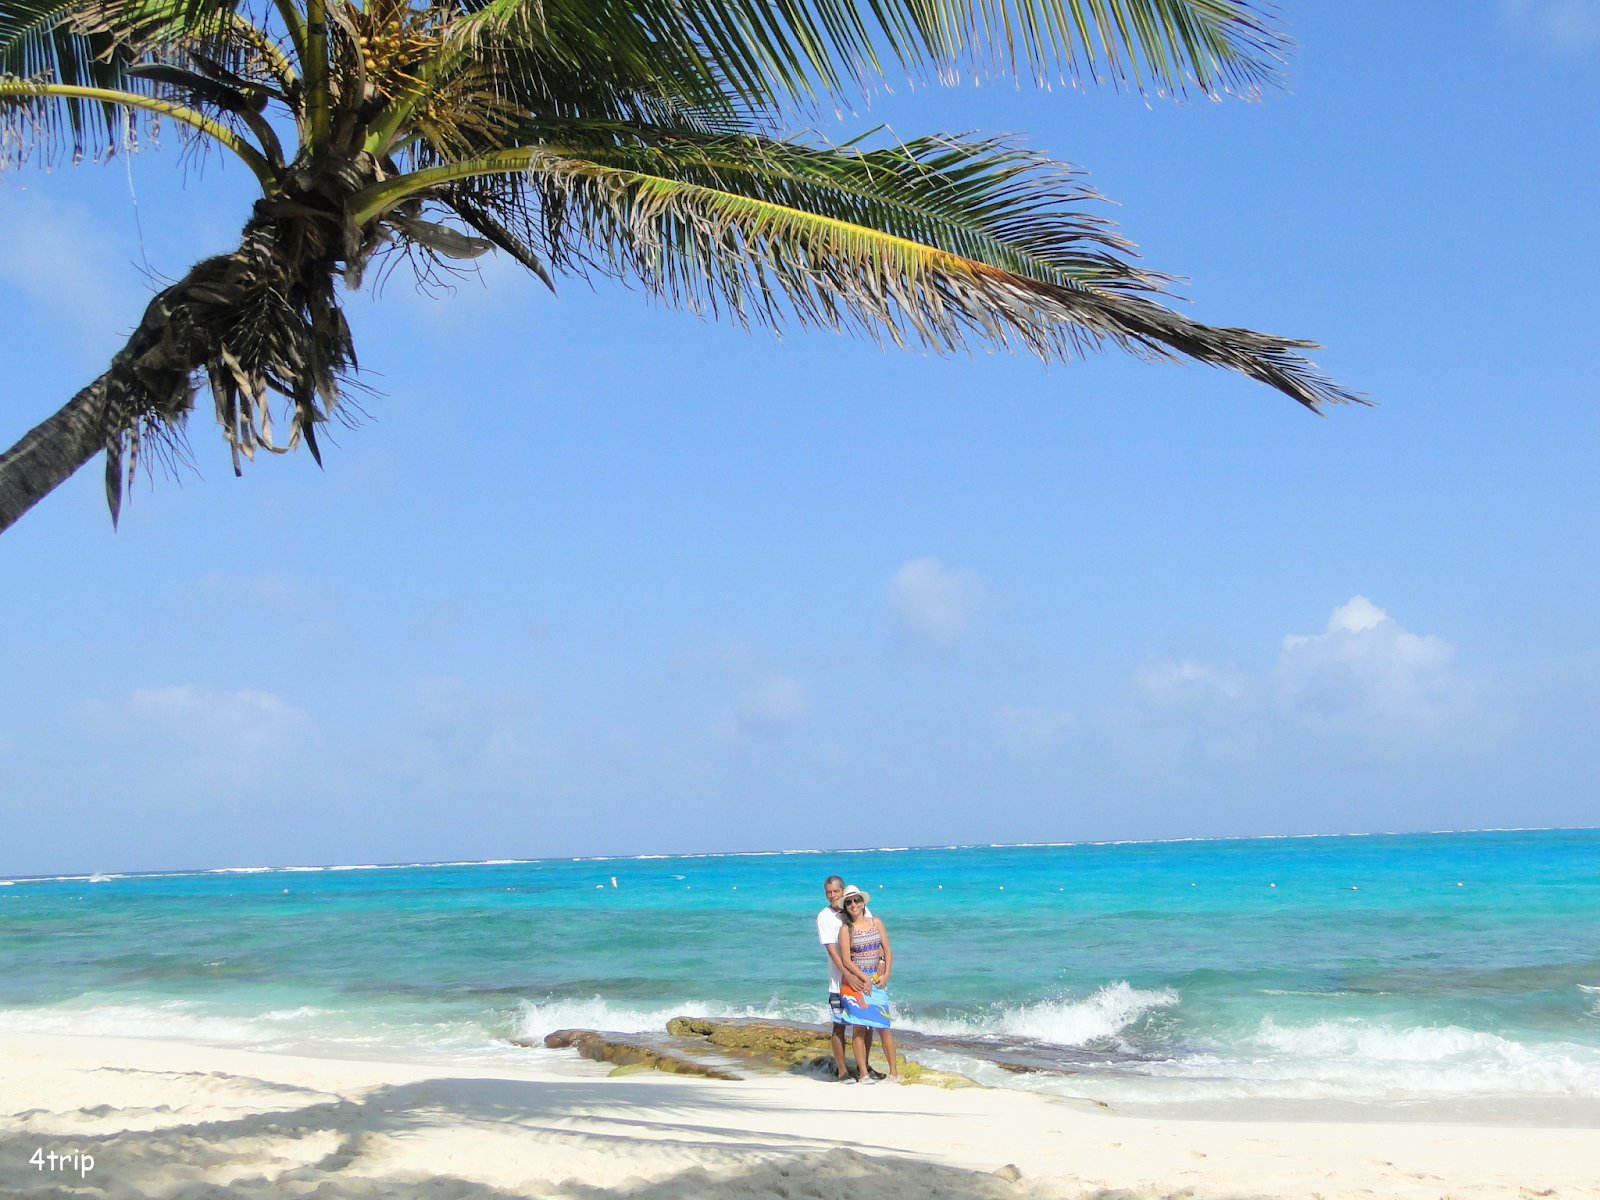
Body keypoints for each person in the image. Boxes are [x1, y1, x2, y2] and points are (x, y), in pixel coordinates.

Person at [817, 875, 881, 1081]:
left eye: (836, 891)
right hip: (839, 981)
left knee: (866, 1024)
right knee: (839, 1024)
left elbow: (875, 937)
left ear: (843, 891)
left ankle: (865, 1066)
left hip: (864, 978)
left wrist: (880, 968)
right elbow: (833, 952)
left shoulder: (856, 907)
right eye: (829, 892)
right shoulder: (824, 917)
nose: (833, 896)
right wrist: (847, 975)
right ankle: (842, 1070)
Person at [836, 884, 898, 1084]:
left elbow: (887, 950)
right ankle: (863, 1073)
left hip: (877, 981)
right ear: (845, 906)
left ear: (863, 903)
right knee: (859, 1027)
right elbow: (846, 960)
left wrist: (886, 975)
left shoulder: (876, 922)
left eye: (857, 900)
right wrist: (864, 979)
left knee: (883, 1027)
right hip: (856, 983)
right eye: (849, 902)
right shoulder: (846, 929)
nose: (854, 904)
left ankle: (894, 1073)